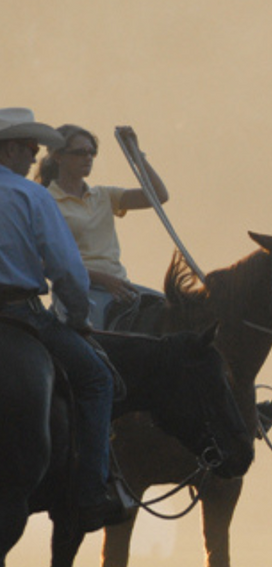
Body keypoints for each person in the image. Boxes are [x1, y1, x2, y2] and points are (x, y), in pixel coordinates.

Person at [0, 108, 130, 533]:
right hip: (20, 312)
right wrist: (75, 318)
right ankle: (92, 492)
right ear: (12, 148)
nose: (34, 157)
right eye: (30, 149)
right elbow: (67, 271)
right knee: (97, 380)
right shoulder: (31, 196)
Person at [35, 124, 168, 330]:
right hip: (78, 293)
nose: (88, 158)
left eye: (92, 152)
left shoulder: (103, 196)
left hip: (119, 287)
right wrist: (101, 279)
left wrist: (136, 155)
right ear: (58, 157)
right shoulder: (45, 201)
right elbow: (43, 262)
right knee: (98, 344)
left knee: (172, 313)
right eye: (80, 153)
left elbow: (158, 196)